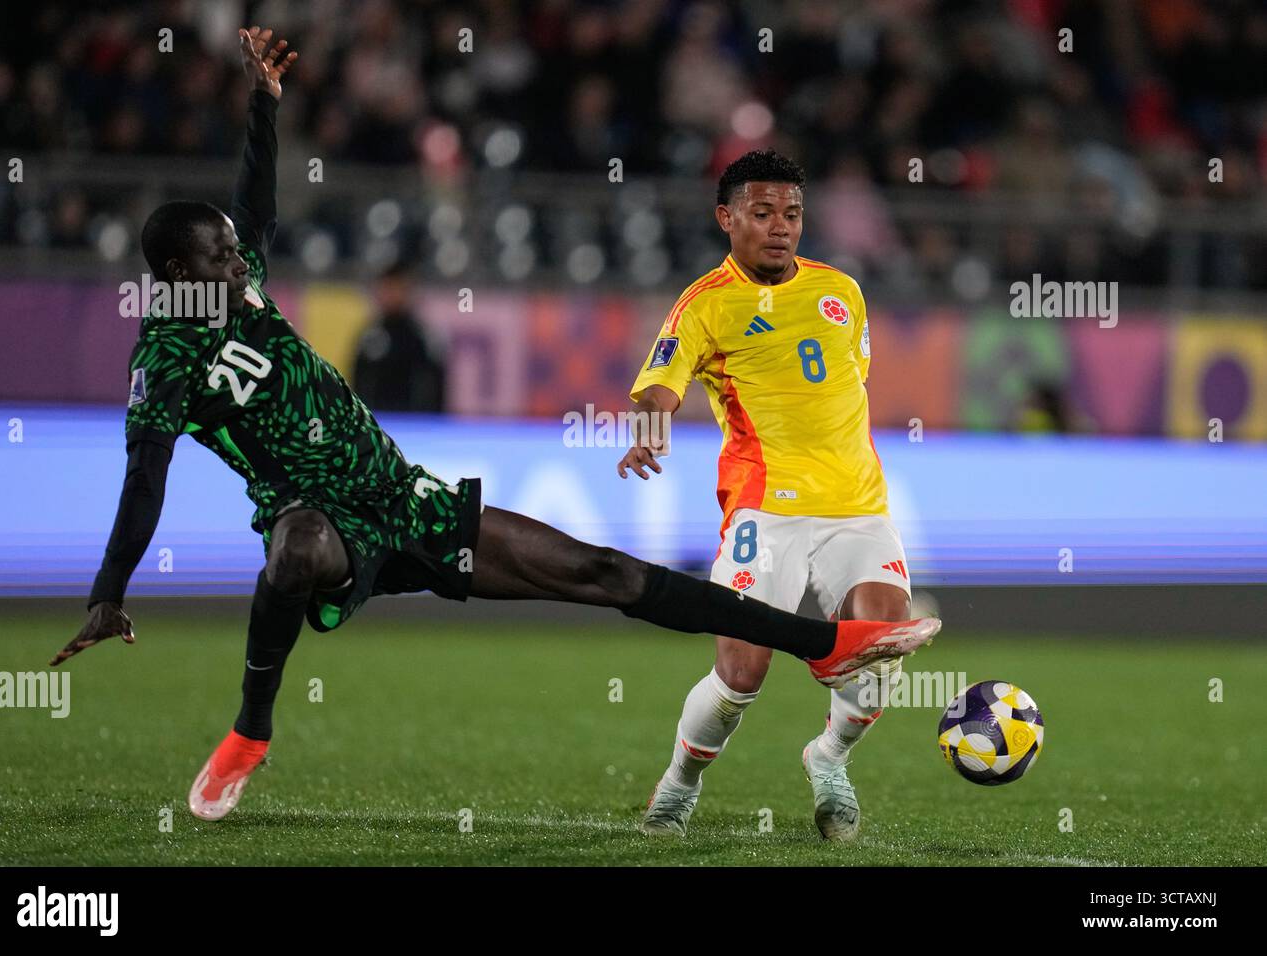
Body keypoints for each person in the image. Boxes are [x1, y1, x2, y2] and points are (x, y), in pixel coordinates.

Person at [51, 33, 939, 825]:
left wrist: (263, 105)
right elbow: (145, 477)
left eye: (237, 249)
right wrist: (108, 590)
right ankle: (249, 731)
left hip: (409, 498)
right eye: (221, 252)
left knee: (606, 573)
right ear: (177, 271)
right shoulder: (161, 363)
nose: (242, 258)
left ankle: (826, 649)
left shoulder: (240, 281)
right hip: (321, 516)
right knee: (298, 549)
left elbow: (258, 203)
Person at [618, 148, 919, 841]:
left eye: (792, 213)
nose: (781, 227)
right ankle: (679, 784)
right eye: (762, 213)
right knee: (741, 672)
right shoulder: (705, 303)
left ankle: (829, 760)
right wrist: (648, 430)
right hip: (765, 508)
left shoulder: (841, 290)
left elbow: (850, 381)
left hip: (856, 505)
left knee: (881, 653)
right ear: (727, 218)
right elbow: (661, 384)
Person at [351, 262, 445, 412]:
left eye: (398, 288)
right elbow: (357, 385)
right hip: (377, 422)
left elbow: (436, 388)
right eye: (388, 288)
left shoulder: (422, 339)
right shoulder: (369, 338)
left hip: (415, 425)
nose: (392, 295)